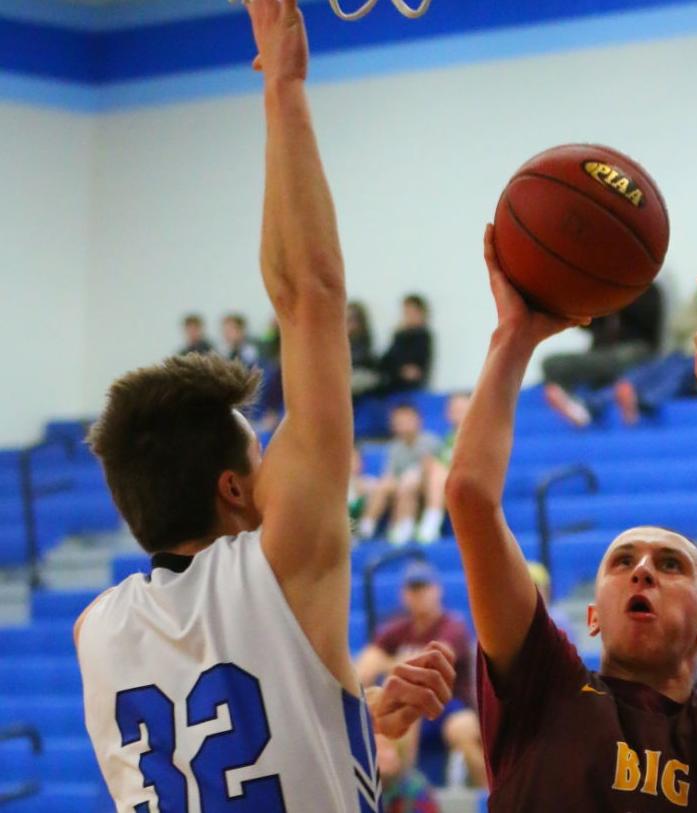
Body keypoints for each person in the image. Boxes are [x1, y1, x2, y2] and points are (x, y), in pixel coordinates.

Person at [74, 5, 451, 809]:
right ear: (235, 489)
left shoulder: (95, 631)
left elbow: (230, 718)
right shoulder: (281, 562)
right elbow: (310, 300)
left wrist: (345, 710)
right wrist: (284, 87)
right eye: (260, 454)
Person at [447, 242, 697, 810]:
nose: (642, 570)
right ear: (592, 616)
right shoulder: (546, 688)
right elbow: (470, 499)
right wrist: (513, 338)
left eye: (671, 565)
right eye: (623, 562)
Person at [354, 560, 485, 788]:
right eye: (413, 590)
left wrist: (387, 664)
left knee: (460, 729)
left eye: (424, 588)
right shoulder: (399, 629)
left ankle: (488, 792)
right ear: (404, 595)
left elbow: (433, 664)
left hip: (451, 705)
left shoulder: (453, 626)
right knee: (399, 708)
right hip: (418, 705)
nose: (419, 595)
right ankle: (404, 790)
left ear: (437, 590)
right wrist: (396, 664)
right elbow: (364, 666)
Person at [542, 282, 664, 426]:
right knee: (552, 363)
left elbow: (651, 330)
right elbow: (584, 324)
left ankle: (592, 403)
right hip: (600, 354)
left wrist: (622, 295)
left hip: (633, 351)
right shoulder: (601, 287)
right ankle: (570, 397)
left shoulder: (648, 289)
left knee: (623, 359)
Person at [358, 404, 447, 544]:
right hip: (401, 486)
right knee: (383, 484)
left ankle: (417, 524)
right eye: (399, 421)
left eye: (407, 420)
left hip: (423, 486)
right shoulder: (394, 447)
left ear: (418, 420)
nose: (404, 425)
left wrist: (412, 476)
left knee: (410, 482)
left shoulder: (431, 440)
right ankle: (366, 527)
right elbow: (390, 474)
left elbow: (433, 467)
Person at [378, 294, 434, 396]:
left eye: (412, 312)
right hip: (392, 383)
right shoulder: (400, 335)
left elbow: (415, 370)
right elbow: (386, 362)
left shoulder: (423, 336)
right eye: (406, 312)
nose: (409, 316)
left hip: (410, 388)